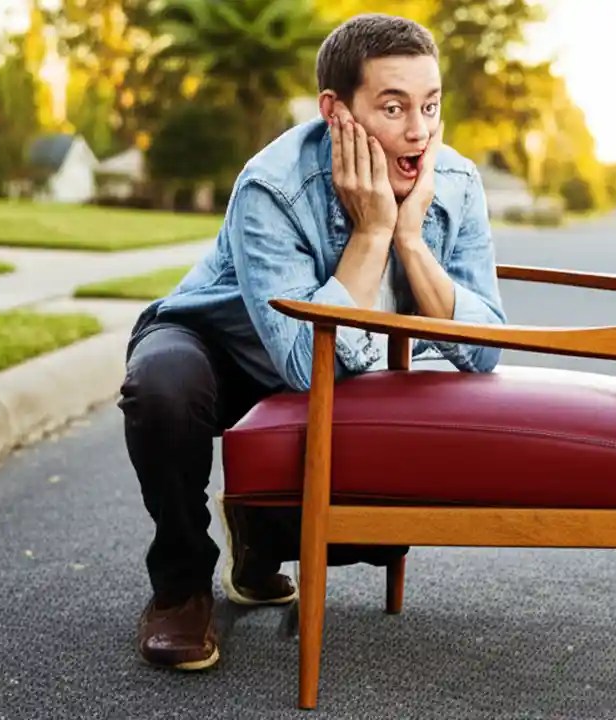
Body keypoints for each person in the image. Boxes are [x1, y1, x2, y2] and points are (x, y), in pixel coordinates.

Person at [117, 13, 507, 672]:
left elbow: (484, 346)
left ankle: (259, 538)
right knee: (161, 390)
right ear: (336, 111)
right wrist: (372, 231)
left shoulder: (457, 187)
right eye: (393, 107)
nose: (419, 131)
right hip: (217, 345)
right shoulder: (273, 185)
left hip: (324, 361)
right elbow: (300, 361)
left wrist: (410, 240)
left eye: (430, 106)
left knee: (379, 535)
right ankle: (181, 589)